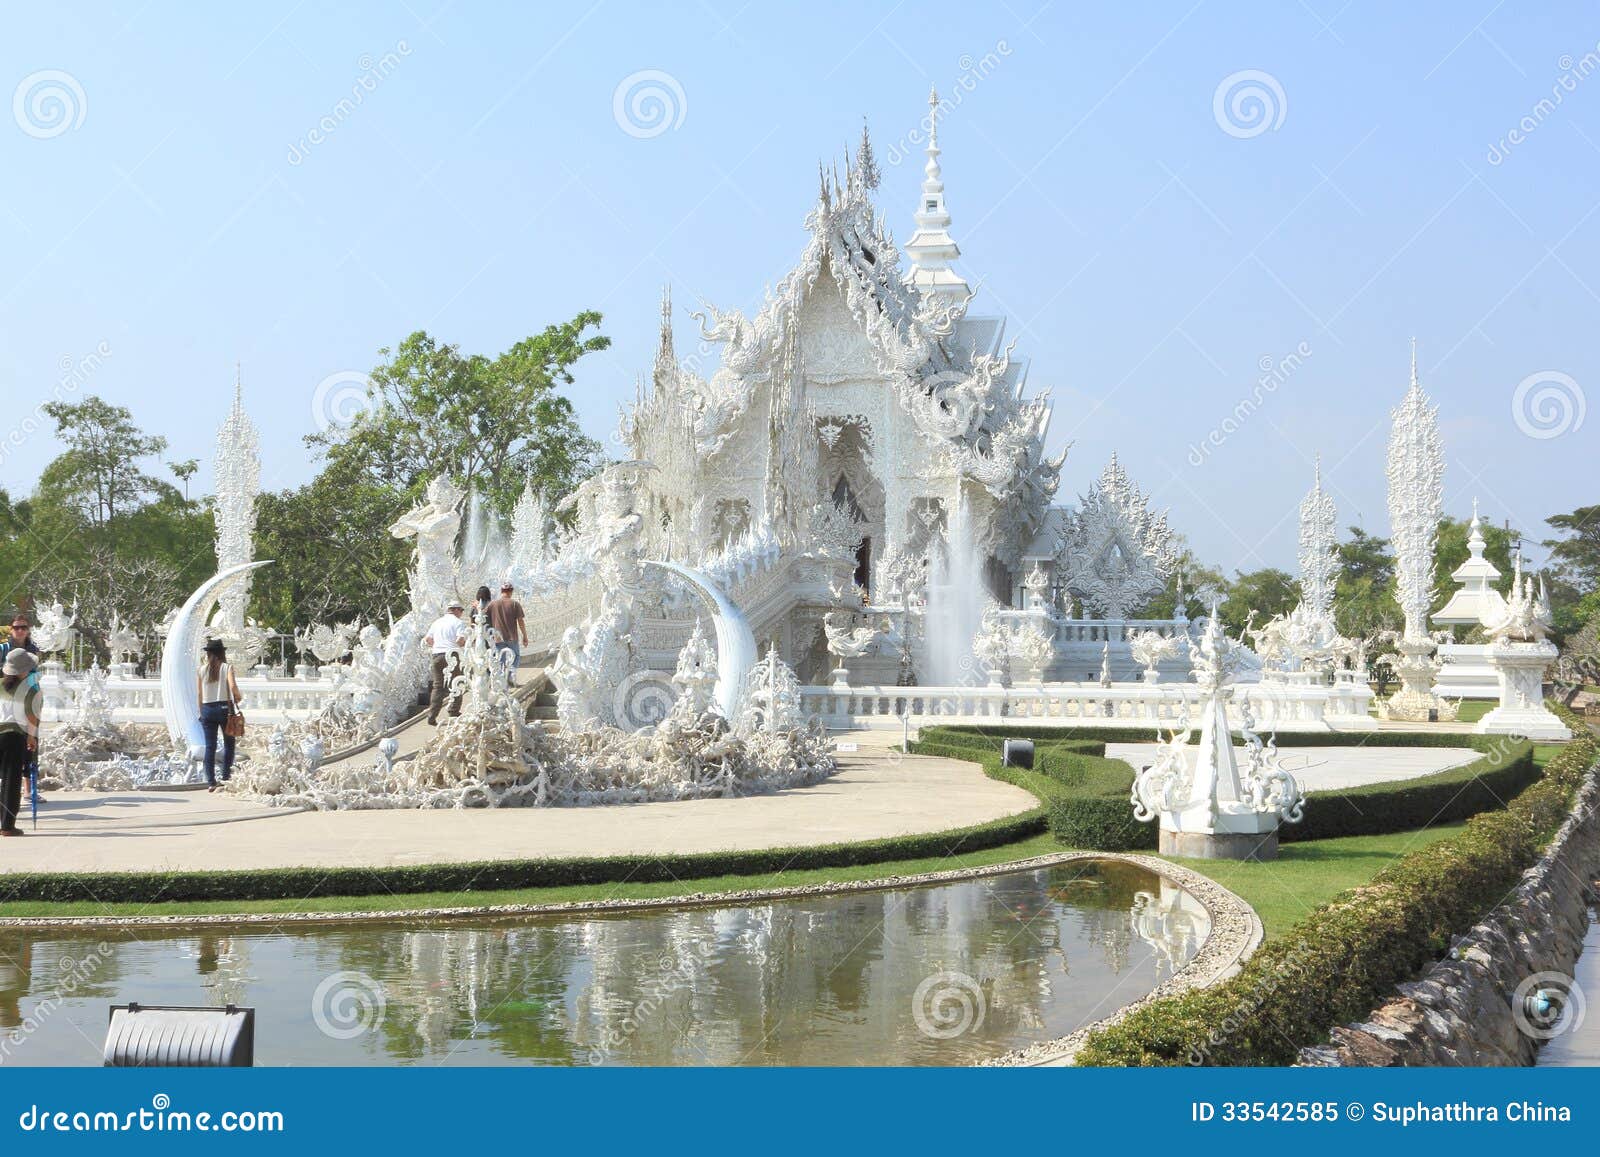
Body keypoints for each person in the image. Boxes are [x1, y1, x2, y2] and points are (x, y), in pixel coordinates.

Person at [0, 617, 42, 806]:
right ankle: (8, 821)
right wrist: (32, 736)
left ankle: (28, 790)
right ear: (11, 630)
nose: (20, 631)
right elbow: (32, 716)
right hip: (16, 729)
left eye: (24, 627)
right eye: (17, 627)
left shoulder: (33, 648)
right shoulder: (3, 649)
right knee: (12, 772)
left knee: (19, 763)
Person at [195, 639, 241, 791]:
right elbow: (232, 686)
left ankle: (211, 782)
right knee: (229, 744)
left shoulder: (201, 670)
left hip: (207, 709)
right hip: (224, 708)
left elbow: (200, 694)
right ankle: (226, 776)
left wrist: (201, 712)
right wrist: (238, 696)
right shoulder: (226, 667)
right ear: (222, 653)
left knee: (210, 747)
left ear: (208, 654)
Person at [423, 600, 467, 724]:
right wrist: (460, 646)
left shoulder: (437, 622)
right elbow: (460, 640)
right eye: (461, 611)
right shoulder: (459, 623)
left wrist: (437, 646)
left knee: (438, 686)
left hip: (437, 655)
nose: (461, 613)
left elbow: (428, 639)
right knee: (456, 683)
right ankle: (453, 711)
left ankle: (432, 715)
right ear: (457, 610)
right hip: (451, 655)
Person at [486, 582, 529, 685]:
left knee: (500, 659)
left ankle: (500, 680)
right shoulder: (515, 604)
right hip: (512, 637)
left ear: (501, 591)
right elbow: (520, 621)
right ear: (511, 591)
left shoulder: (493, 604)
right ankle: (510, 676)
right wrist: (525, 636)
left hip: (497, 638)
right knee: (515, 657)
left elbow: (484, 617)